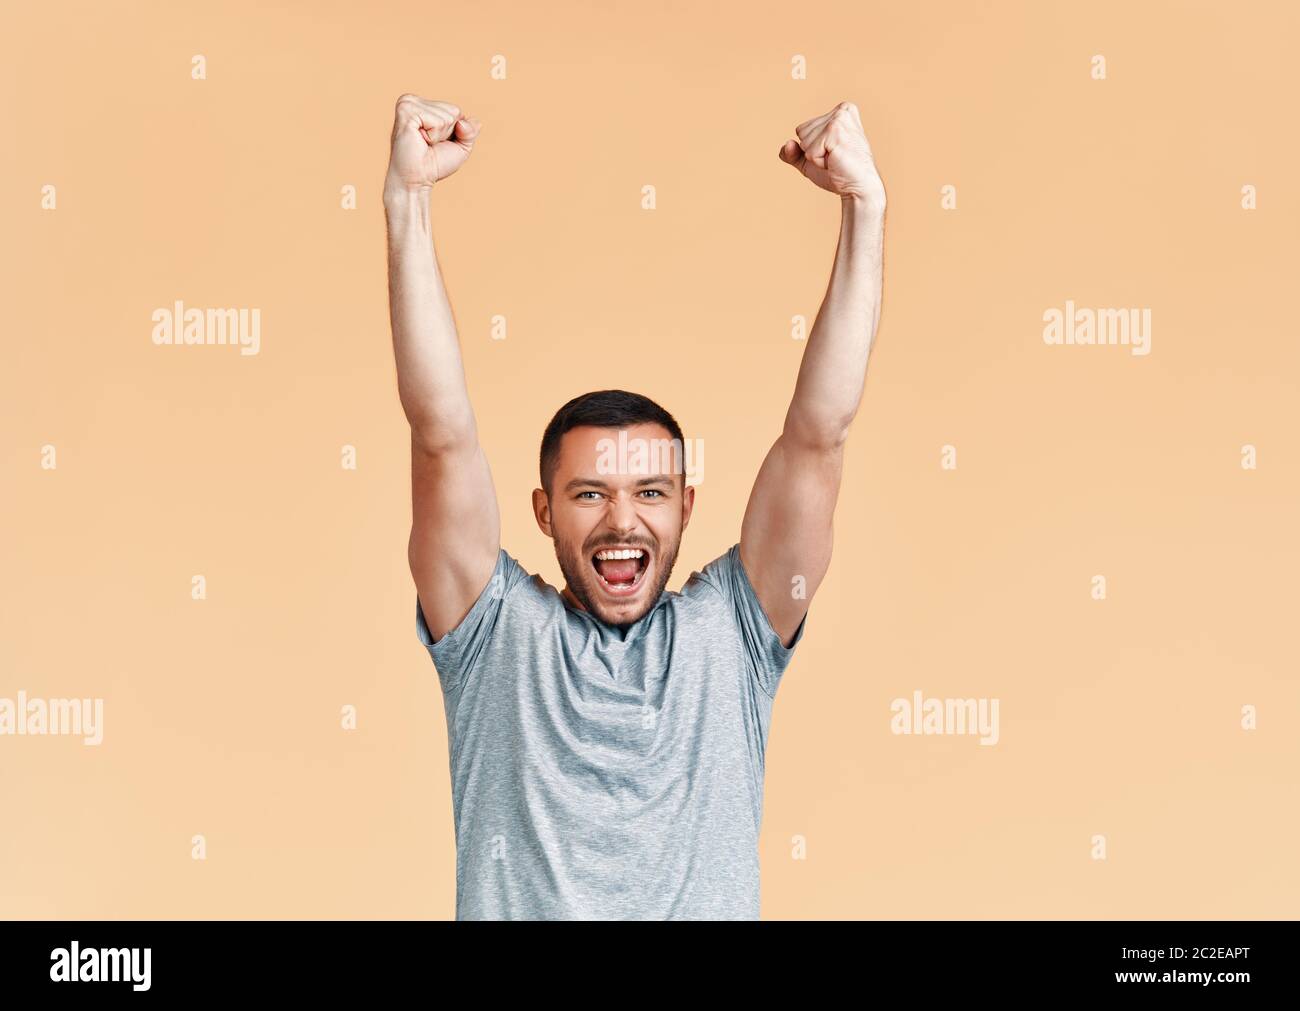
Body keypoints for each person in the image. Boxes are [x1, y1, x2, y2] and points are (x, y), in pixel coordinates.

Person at [383, 94, 886, 919]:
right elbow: (440, 432)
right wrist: (407, 202)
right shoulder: (493, 638)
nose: (622, 522)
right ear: (544, 512)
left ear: (687, 506)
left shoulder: (732, 636)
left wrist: (865, 208)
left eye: (649, 492)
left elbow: (818, 435)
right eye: (591, 494)